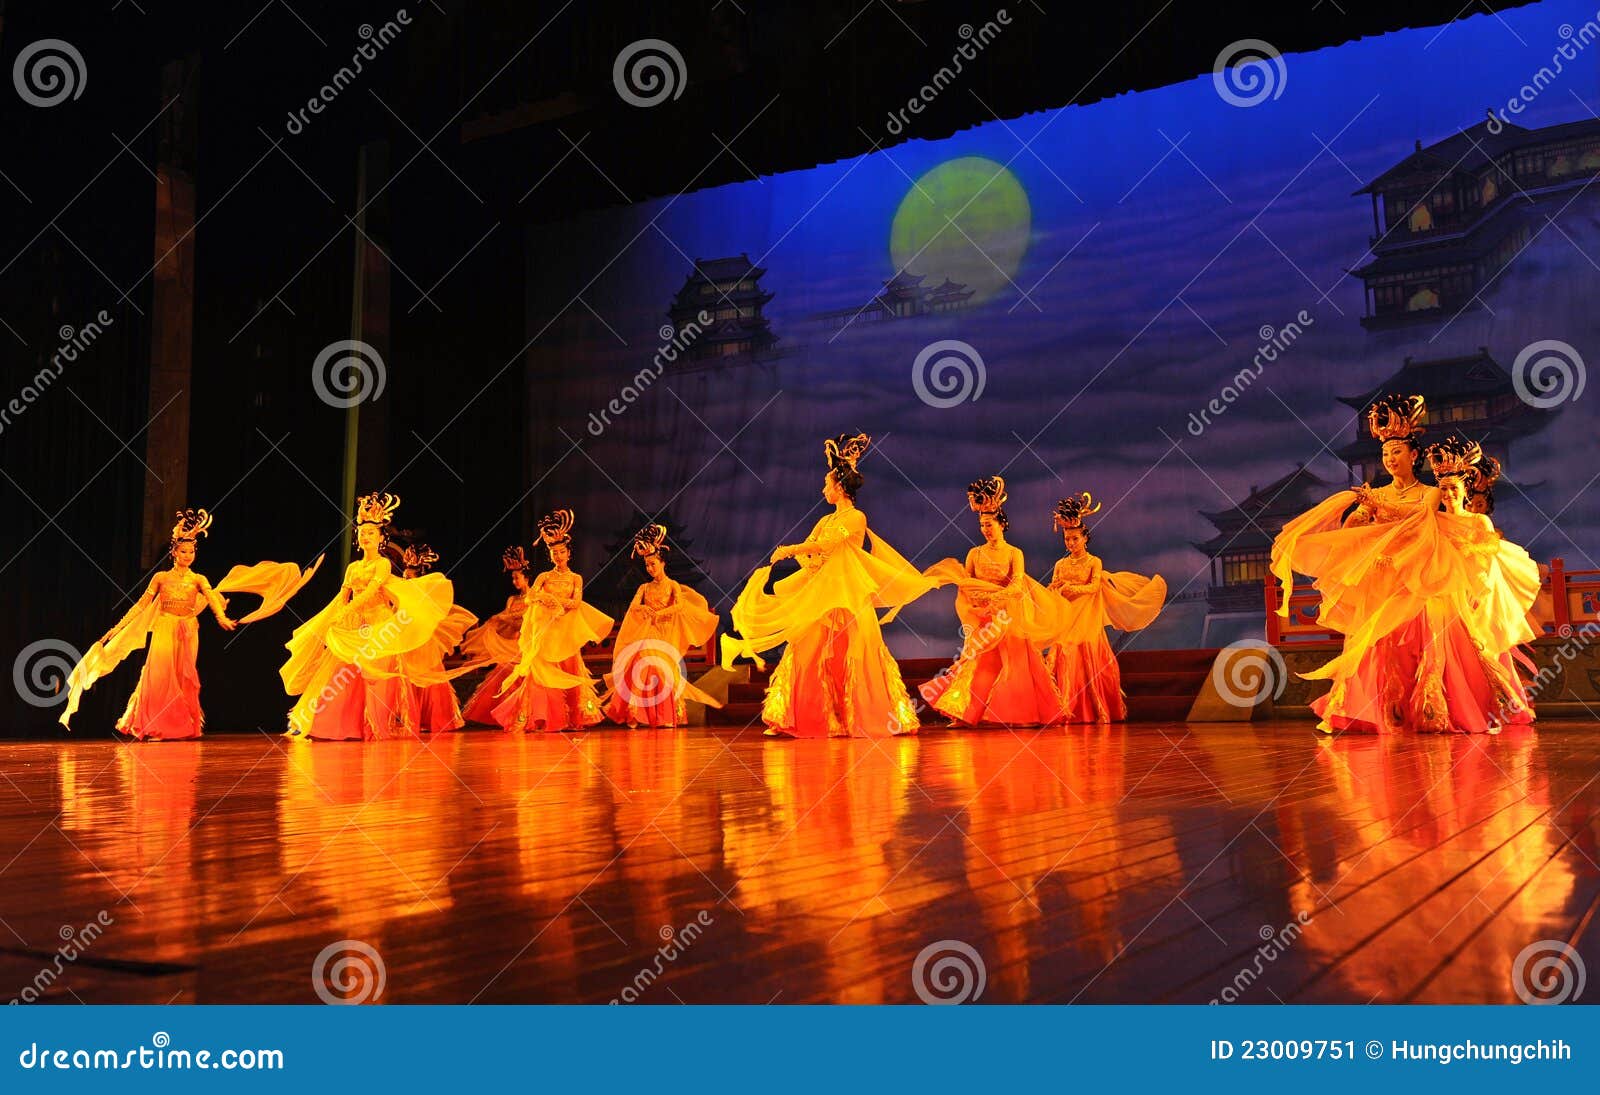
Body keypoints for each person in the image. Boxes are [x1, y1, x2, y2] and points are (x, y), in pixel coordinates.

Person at [1270, 438, 1538, 734]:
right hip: (1387, 580)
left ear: (1413, 455)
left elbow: (1420, 523)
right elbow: (1358, 530)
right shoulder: (1379, 494)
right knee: (1383, 645)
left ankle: (1438, 709)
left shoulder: (1431, 497)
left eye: (1396, 451)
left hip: (1426, 581)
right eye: (1385, 453)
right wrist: (1360, 515)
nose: (1390, 458)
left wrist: (1382, 508)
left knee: (1435, 643)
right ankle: (1382, 713)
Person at [721, 432, 935, 737]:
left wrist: (791, 550)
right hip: (822, 595)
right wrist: (805, 560)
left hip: (848, 596)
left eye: (827, 484)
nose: (824, 490)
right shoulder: (825, 521)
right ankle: (803, 718)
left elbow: (830, 545)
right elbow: (814, 547)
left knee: (853, 652)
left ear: (839, 487)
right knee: (807, 649)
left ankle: (860, 717)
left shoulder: (856, 517)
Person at [59, 509, 321, 738]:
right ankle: (153, 724)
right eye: (183, 551)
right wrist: (116, 628)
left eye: (191, 551)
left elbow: (212, 598)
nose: (188, 555)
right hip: (165, 628)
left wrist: (221, 617)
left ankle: (179, 727)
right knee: (161, 676)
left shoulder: (198, 579)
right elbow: (141, 605)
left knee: (183, 677)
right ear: (174, 552)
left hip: (188, 630)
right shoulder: (161, 578)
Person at [281, 492, 456, 740]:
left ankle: (374, 725)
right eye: (362, 533)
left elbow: (371, 592)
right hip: (355, 623)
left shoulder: (382, 564)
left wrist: (346, 610)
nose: (365, 536)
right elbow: (344, 595)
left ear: (381, 537)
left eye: (371, 533)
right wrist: (338, 615)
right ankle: (335, 724)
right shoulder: (353, 567)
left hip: (379, 623)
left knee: (375, 676)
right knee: (343, 672)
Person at [923, 477, 1064, 727]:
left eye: (989, 524)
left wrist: (995, 598)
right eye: (982, 525)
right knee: (978, 664)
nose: (985, 529)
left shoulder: (1014, 553)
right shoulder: (975, 553)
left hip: (1007, 615)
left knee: (1014, 662)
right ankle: (967, 713)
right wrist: (978, 603)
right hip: (982, 616)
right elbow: (967, 585)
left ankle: (1017, 713)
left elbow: (1017, 585)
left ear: (1001, 524)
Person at [1042, 493, 1166, 722]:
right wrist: (1054, 589)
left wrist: (1071, 587)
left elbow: (1093, 587)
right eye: (1067, 539)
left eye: (1075, 538)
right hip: (1067, 613)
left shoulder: (1093, 562)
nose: (1070, 543)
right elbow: (1053, 586)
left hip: (1086, 614)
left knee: (1084, 655)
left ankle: (1090, 708)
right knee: (1064, 652)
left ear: (1084, 538)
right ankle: (1065, 708)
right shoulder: (1060, 564)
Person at [491, 509, 614, 732]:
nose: (558, 556)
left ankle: (573, 718)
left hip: (565, 633)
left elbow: (576, 602)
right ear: (550, 555)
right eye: (554, 553)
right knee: (543, 676)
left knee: (569, 671)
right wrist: (545, 598)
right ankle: (545, 718)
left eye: (562, 552)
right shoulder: (544, 577)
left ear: (569, 553)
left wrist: (554, 601)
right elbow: (529, 597)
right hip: (546, 633)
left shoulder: (575, 578)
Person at [602, 524, 722, 727]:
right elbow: (633, 607)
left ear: (663, 563)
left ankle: (663, 716)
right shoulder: (644, 587)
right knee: (641, 665)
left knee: (662, 671)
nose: (650, 568)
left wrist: (660, 613)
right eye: (647, 565)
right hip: (648, 630)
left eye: (653, 564)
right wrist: (643, 608)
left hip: (665, 632)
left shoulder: (672, 585)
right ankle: (637, 714)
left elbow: (679, 606)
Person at [459, 546, 534, 724]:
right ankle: (505, 716)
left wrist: (504, 618)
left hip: (525, 645)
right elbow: (506, 620)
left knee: (518, 675)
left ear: (526, 578)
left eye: (517, 578)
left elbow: (524, 623)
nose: (514, 582)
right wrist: (496, 621)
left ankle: (523, 715)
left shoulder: (533, 598)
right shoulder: (512, 599)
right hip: (509, 644)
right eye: (512, 578)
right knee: (501, 673)